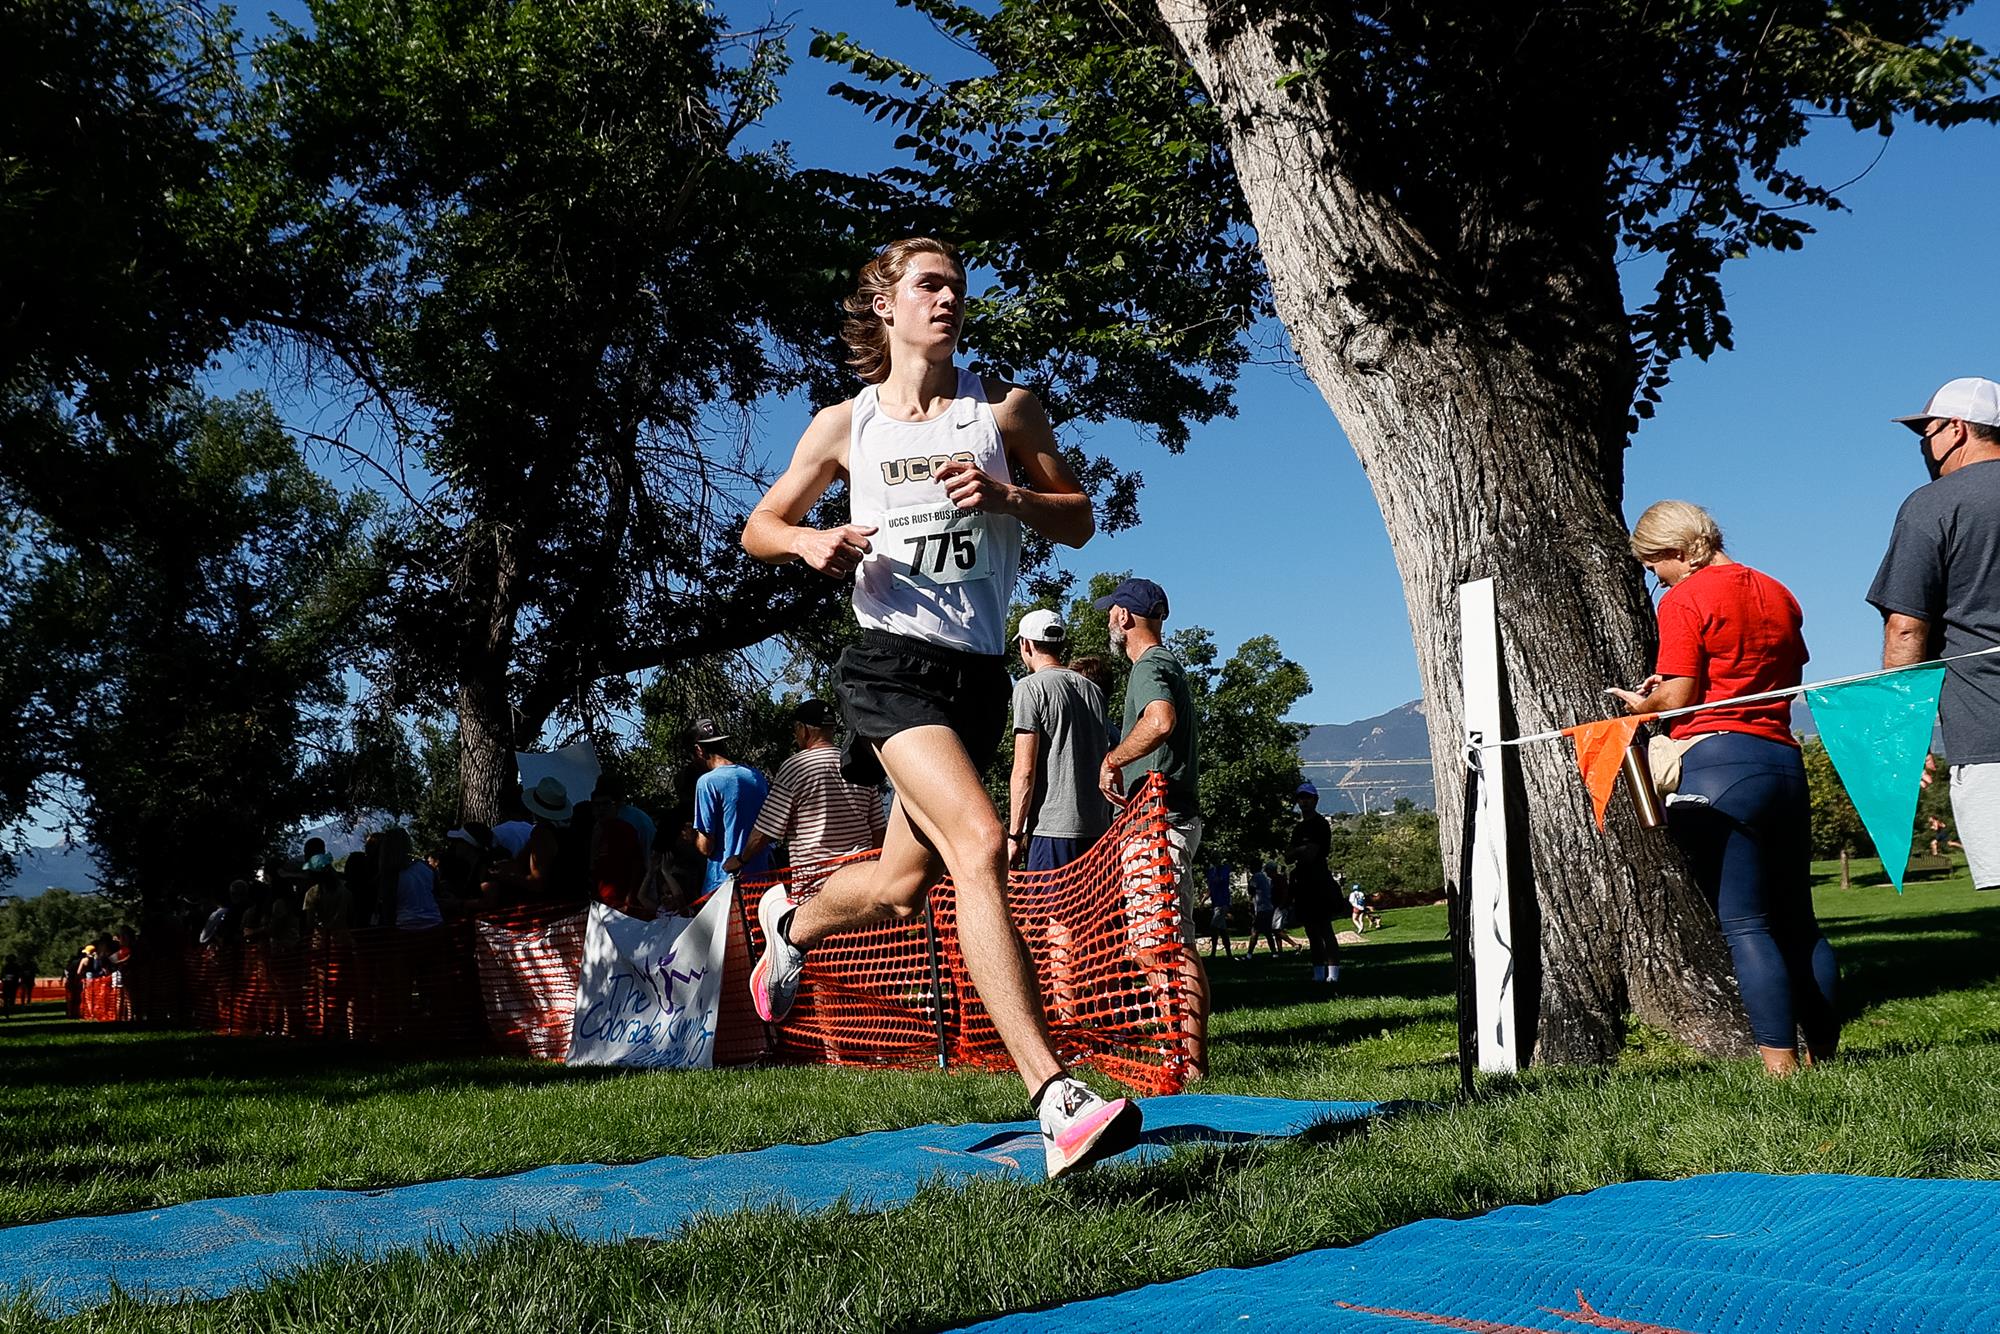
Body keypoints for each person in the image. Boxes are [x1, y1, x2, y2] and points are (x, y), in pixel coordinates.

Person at [739, 236, 1140, 1178]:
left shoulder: (1003, 411)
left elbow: (1080, 519)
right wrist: (808, 544)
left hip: (975, 677)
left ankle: (789, 927)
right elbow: (761, 525)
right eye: (929, 284)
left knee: (900, 883)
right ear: (885, 303)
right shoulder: (844, 425)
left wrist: (1008, 495)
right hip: (887, 668)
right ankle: (1056, 1097)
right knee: (979, 842)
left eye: (958, 286)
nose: (949, 298)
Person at [1611, 499, 1836, 1076]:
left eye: (1655, 567)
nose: (1657, 580)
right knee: (1800, 921)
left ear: (1680, 553)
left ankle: (1780, 1068)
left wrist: (1644, 702)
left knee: (1746, 923)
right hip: (1783, 758)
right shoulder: (1778, 591)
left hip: (1717, 761)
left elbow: (1681, 696)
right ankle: (1825, 1057)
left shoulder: (1686, 597)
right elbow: (1777, 669)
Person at [1868, 377, 2000, 891]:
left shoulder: (1934, 504)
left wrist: (1904, 733)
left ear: (1957, 429)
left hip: (1990, 736)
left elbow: (1906, 628)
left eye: (1926, 434)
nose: (1923, 447)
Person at [1096, 576, 1210, 1073]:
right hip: (1162, 819)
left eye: (1110, 611)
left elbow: (1159, 720)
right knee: (1161, 943)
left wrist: (1113, 759)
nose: (1108, 619)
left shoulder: (1149, 666)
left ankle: (1188, 1063)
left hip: (1158, 822)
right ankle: (1182, 1055)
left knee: (1162, 946)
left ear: (1124, 617)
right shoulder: (1162, 663)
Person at [1007, 609, 1113, 871]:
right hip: (1098, 831)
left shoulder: (1030, 687)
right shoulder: (1093, 690)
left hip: (1052, 830)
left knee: (1050, 901)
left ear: (1026, 645)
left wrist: (1014, 835)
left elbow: (1024, 771)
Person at [728, 699, 886, 874]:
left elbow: (765, 830)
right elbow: (879, 829)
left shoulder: (795, 767)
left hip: (816, 881)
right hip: (863, 876)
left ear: (803, 729)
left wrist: (741, 859)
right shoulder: (858, 766)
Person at [690, 718, 772, 893]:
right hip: (761, 880)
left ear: (698, 750)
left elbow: (706, 847)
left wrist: (692, 837)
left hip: (725, 883)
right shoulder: (755, 777)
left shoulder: (707, 782)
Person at [1289, 782, 1340, 983]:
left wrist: (1299, 851)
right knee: (1310, 929)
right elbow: (1288, 856)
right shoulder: (1298, 828)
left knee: (1324, 927)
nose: (1304, 801)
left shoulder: (1320, 824)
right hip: (1303, 881)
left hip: (1319, 880)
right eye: (1301, 798)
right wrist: (1302, 850)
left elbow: (1311, 854)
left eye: (1308, 797)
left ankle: (1333, 974)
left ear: (1315, 800)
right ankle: (1318, 974)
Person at [1245, 862, 1281, 957]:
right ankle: (1274, 953)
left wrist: (1249, 902)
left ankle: (1249, 954)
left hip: (1261, 908)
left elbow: (1251, 890)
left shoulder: (1256, 877)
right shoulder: (1265, 878)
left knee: (1255, 931)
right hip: (1268, 907)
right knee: (1267, 932)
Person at [1204, 863, 1233, 958]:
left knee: (1213, 927)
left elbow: (1219, 881)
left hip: (1222, 904)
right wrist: (1203, 901)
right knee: (1223, 931)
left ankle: (1214, 953)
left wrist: (1214, 873)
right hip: (1216, 905)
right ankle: (1228, 954)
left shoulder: (1222, 870)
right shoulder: (1211, 873)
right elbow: (1210, 889)